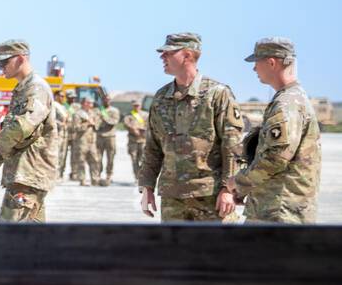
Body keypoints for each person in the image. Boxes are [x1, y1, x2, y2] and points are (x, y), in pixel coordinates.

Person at [137, 32, 242, 222]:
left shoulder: (217, 94)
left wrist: (229, 189)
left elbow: (232, 146)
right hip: (172, 198)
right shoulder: (161, 98)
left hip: (210, 195)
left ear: (187, 55)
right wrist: (147, 187)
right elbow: (153, 147)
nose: (162, 57)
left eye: (168, 53)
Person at [224, 37, 320, 223]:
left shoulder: (287, 104)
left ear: (271, 63)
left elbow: (275, 159)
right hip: (278, 209)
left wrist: (239, 182)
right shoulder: (290, 99)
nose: (254, 69)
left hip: (278, 212)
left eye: (256, 63)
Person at [0, 40, 58, 221]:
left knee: (9, 238)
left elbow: (21, 128)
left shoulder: (36, 88)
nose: (1, 68)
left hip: (28, 176)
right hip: (24, 176)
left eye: (4, 62)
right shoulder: (24, 89)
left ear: (20, 59)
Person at [70, 98, 100, 186]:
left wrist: (94, 123)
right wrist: (87, 124)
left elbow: (98, 125)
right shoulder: (78, 114)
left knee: (95, 160)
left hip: (92, 141)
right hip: (82, 141)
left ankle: (95, 180)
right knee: (81, 161)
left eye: (91, 102)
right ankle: (82, 180)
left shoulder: (93, 113)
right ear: (84, 103)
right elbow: (76, 128)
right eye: (89, 102)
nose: (91, 104)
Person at [94, 101, 121, 186]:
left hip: (110, 137)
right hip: (100, 136)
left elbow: (114, 122)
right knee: (98, 157)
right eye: (105, 99)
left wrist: (104, 117)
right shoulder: (98, 110)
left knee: (110, 157)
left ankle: (109, 175)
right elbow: (95, 123)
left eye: (108, 99)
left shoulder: (114, 111)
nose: (106, 101)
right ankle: (97, 175)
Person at [122, 100, 148, 182]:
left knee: (143, 159)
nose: (136, 107)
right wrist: (133, 129)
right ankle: (137, 177)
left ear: (140, 105)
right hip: (132, 140)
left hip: (143, 140)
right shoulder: (129, 115)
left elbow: (150, 124)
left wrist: (142, 129)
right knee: (134, 159)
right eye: (135, 105)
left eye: (138, 105)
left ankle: (142, 175)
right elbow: (125, 124)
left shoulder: (146, 115)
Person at [52, 90, 70, 179]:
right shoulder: (53, 106)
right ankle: (54, 174)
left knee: (63, 154)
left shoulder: (63, 107)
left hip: (64, 134)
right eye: (61, 96)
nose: (63, 98)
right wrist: (60, 123)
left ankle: (60, 174)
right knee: (56, 154)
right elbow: (51, 119)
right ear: (56, 96)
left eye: (64, 96)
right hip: (57, 134)